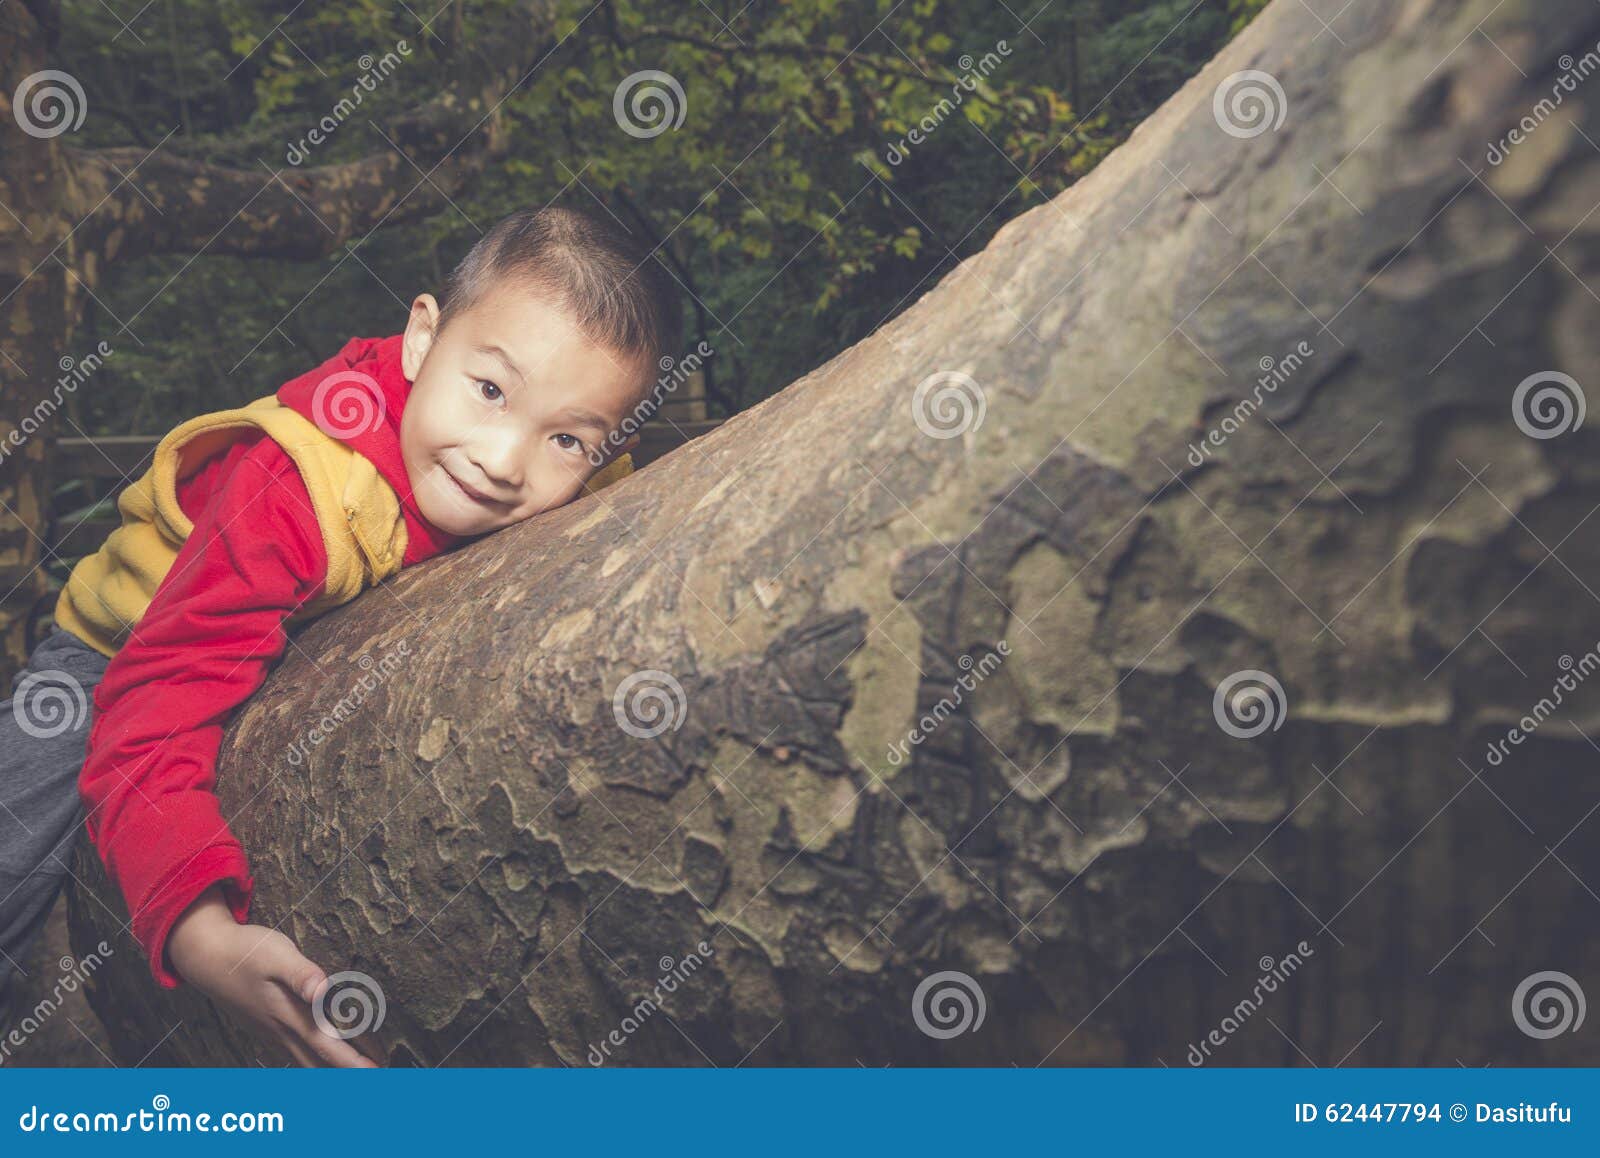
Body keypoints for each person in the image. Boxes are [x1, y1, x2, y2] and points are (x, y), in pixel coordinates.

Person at [0, 205, 678, 1066]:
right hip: (119, 650)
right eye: (492, 390)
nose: (505, 460)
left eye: (567, 437)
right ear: (422, 340)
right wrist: (200, 933)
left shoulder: (540, 470)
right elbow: (152, 705)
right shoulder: (293, 492)